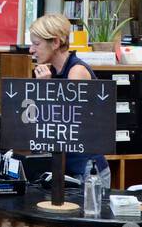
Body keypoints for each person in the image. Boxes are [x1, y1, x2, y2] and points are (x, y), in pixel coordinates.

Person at [28, 13, 106, 182]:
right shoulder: (54, 72)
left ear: (55, 42)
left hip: (85, 170)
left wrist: (45, 88)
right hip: (64, 165)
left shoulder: (76, 72)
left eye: (36, 44)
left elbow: (67, 123)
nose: (31, 50)